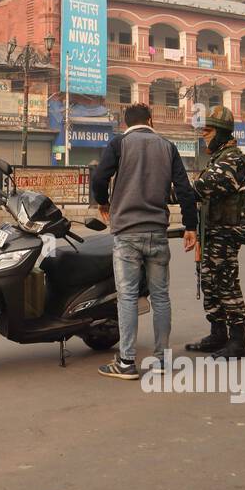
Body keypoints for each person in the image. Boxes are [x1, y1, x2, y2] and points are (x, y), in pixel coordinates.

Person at [89, 103, 197, 380]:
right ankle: (161, 360)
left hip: (126, 233)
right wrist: (190, 226)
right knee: (161, 296)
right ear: (151, 120)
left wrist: (103, 202)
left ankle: (126, 362)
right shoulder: (167, 146)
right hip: (157, 233)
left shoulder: (119, 144)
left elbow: (100, 177)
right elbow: (184, 189)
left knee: (127, 297)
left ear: (125, 124)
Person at [184, 105, 245, 358]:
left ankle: (237, 341)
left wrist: (161, 191)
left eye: (209, 130)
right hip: (213, 233)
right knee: (210, 283)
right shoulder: (219, 158)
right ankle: (217, 334)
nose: (204, 135)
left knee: (226, 285)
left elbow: (198, 189)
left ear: (223, 133)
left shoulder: (231, 161)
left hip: (225, 234)